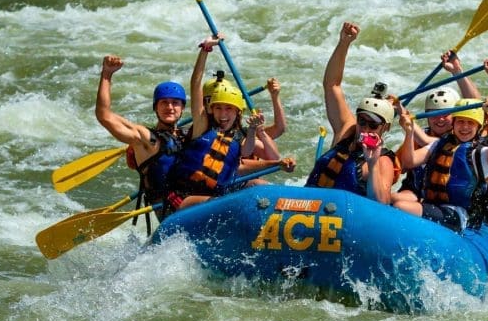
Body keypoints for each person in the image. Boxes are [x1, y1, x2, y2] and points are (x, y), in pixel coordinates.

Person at [168, 35, 295, 210]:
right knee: (224, 204)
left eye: (229, 109)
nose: (223, 114)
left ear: (237, 112)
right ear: (211, 109)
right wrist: (205, 49)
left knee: (262, 188)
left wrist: (277, 163)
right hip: (184, 198)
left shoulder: (238, 137)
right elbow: (195, 83)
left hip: (217, 196)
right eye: (218, 108)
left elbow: (249, 158)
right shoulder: (202, 127)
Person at [305, 21, 398, 204]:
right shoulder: (346, 130)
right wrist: (344, 43)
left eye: (373, 125)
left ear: (385, 127)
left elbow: (382, 203)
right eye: (362, 121)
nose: (365, 128)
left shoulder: (383, 161)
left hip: (346, 222)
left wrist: (372, 165)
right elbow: (332, 85)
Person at [392, 96, 488, 237]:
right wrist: (409, 133)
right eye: (460, 121)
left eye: (470, 123)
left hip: (458, 215)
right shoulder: (439, 144)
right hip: (433, 205)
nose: (464, 127)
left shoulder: (481, 155)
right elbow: (409, 161)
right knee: (389, 198)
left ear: (478, 127)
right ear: (453, 124)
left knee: (400, 206)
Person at [94, 55, 186, 221]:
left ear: (183, 108)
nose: (170, 107)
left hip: (195, 199)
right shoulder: (145, 139)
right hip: (170, 210)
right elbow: (104, 116)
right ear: (155, 108)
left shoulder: (188, 134)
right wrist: (107, 75)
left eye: (175, 103)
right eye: (164, 102)